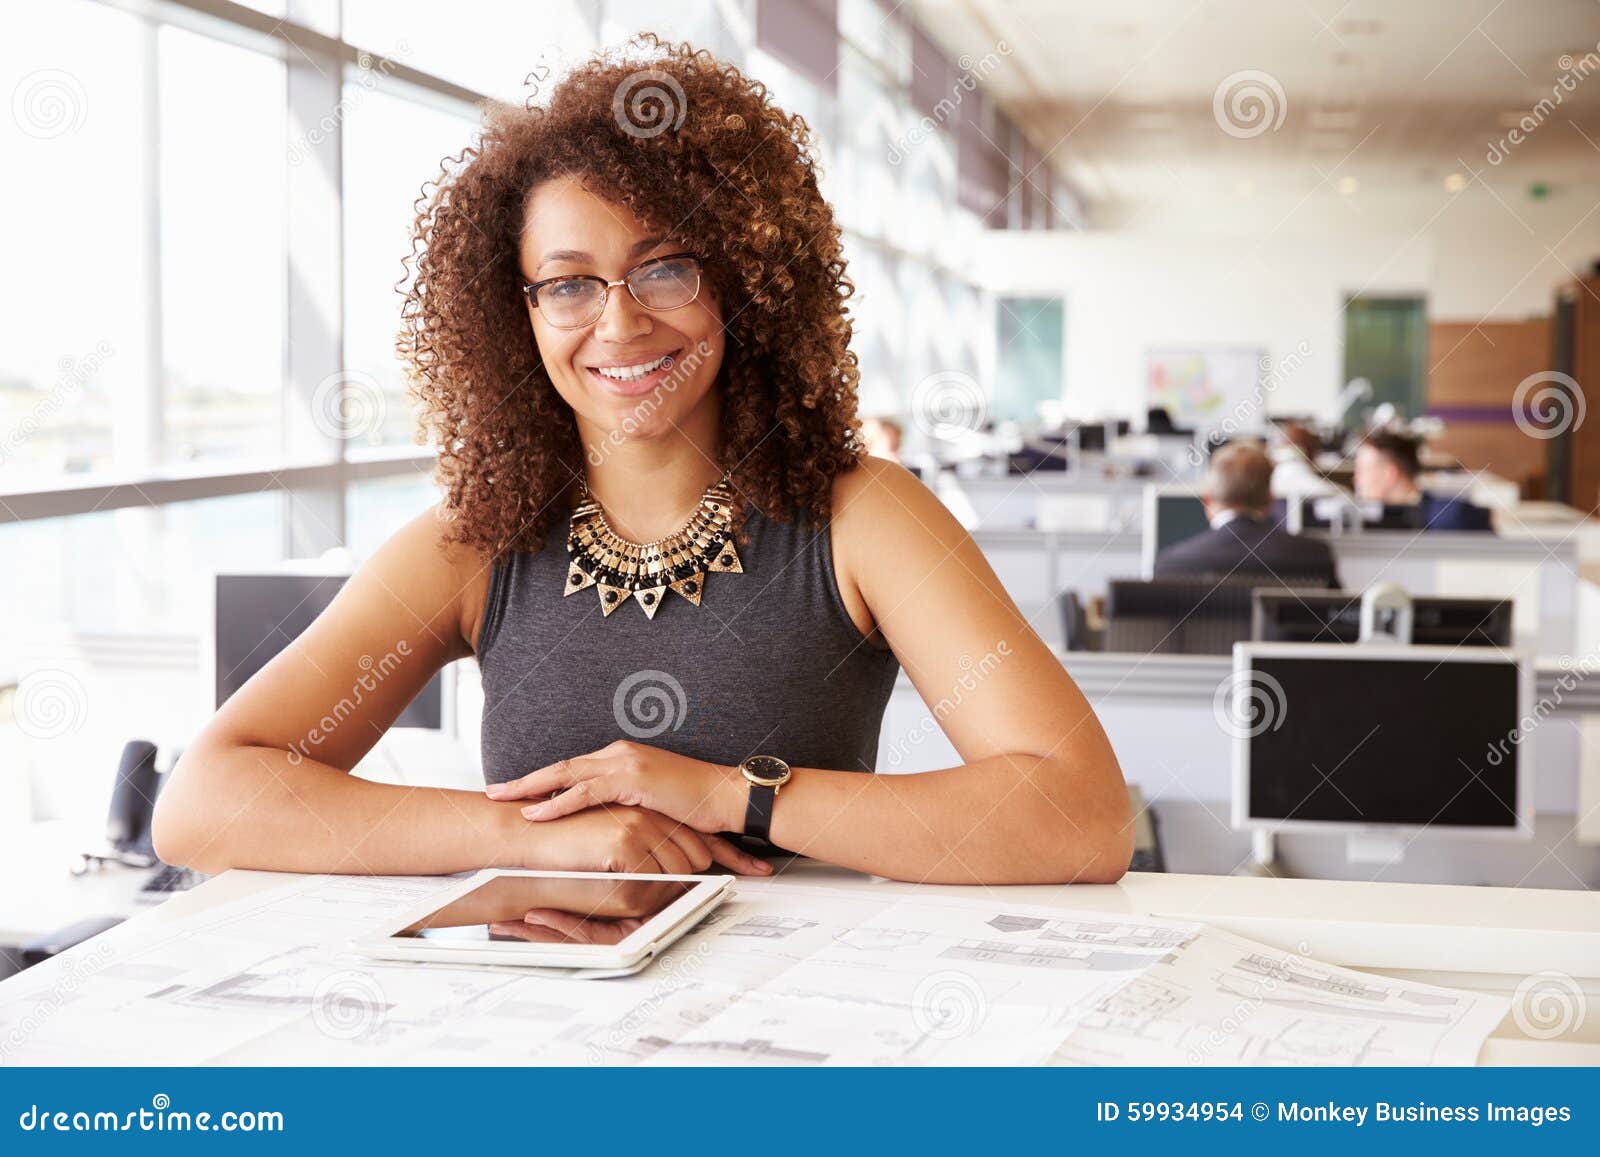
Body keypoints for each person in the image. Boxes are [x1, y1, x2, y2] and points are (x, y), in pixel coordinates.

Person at [152, 37, 1132, 887]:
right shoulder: (474, 544)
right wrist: (528, 837)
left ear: (741, 282)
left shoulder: (863, 515)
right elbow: (204, 803)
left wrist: (728, 795)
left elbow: (1083, 815)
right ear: (517, 312)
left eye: (664, 266)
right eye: (569, 283)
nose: (620, 321)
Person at [1155, 442, 1340, 587]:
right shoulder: (1314, 556)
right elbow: (1339, 625)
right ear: (1270, 500)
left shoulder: (1172, 564)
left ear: (1208, 500)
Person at [1353, 429, 1493, 532]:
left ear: (1389, 474)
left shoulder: (1452, 517)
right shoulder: (1367, 524)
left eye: (1362, 470)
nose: (1355, 479)